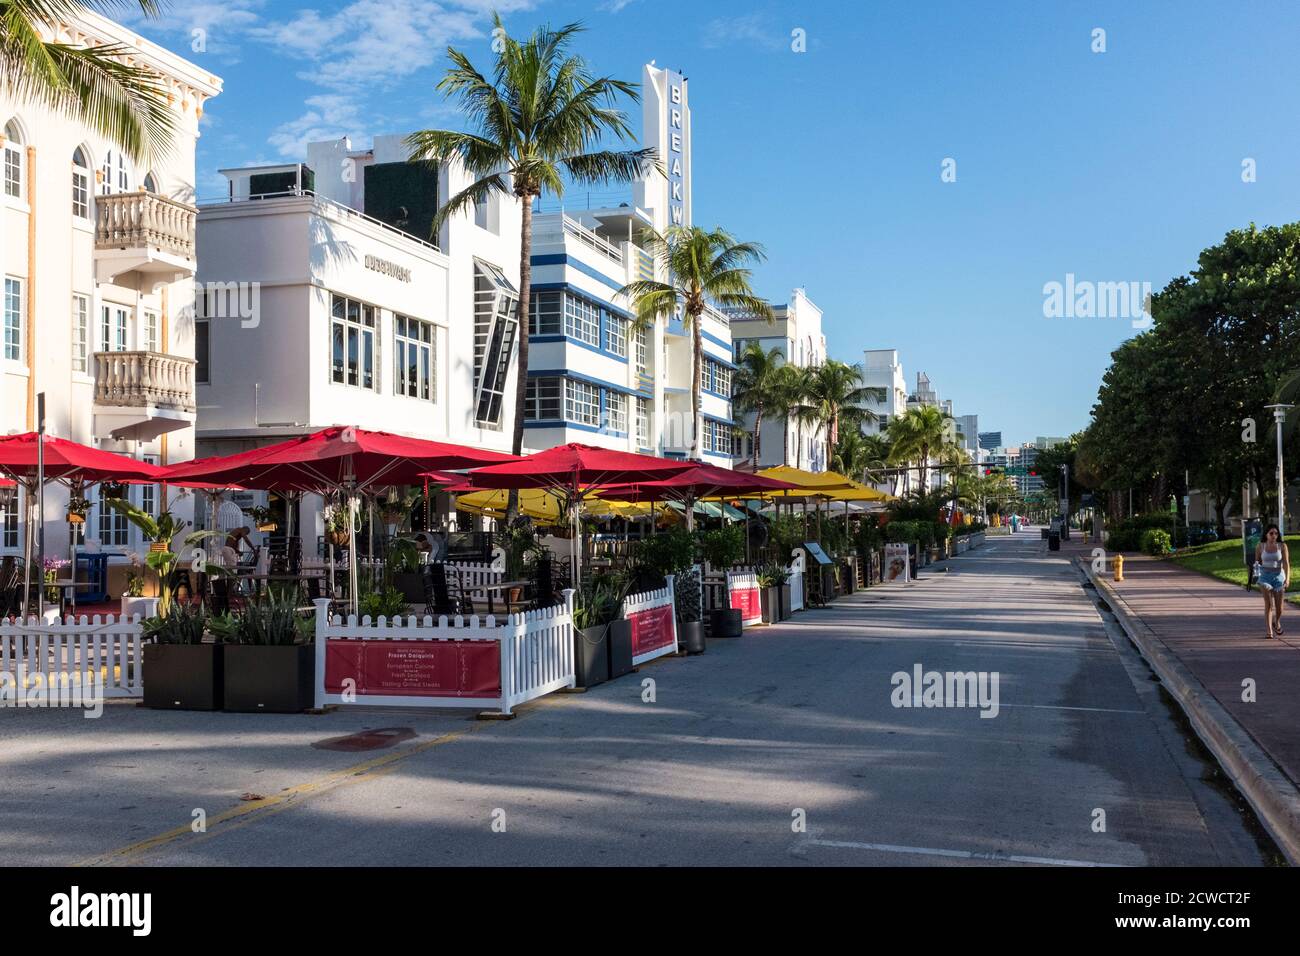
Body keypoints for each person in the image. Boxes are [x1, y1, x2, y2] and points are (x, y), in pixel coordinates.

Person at [1254, 524, 1289, 639]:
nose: (1274, 535)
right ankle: (1269, 631)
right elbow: (1257, 562)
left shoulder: (1282, 546)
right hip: (1265, 576)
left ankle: (1276, 621)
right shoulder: (1260, 546)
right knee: (1269, 604)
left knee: (1279, 607)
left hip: (1279, 576)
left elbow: (1286, 564)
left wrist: (1287, 579)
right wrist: (1255, 573)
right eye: (1271, 533)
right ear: (1266, 534)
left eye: (1276, 533)